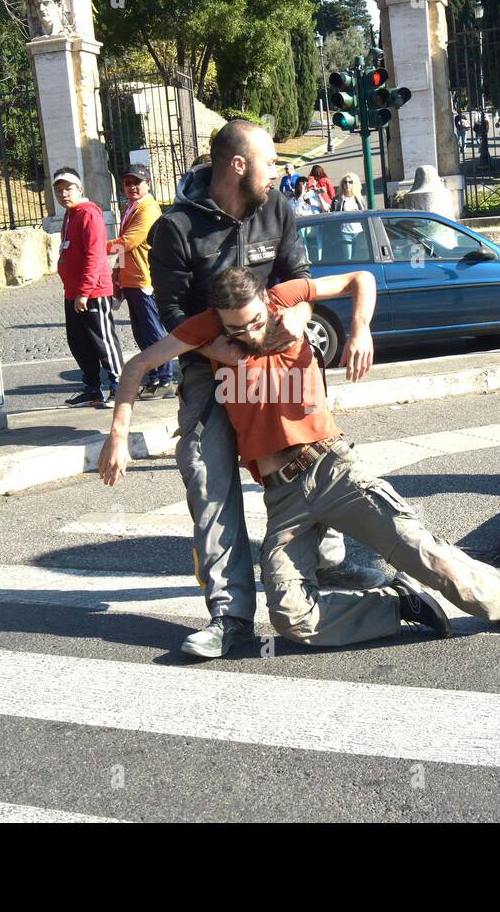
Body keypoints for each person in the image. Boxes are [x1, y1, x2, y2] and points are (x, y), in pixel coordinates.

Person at [98, 265, 500, 648]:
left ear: (266, 300)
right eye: (235, 328)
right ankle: (396, 605)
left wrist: (360, 330)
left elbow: (362, 278)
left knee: (419, 549)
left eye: (255, 321)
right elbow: (139, 365)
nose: (248, 333)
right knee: (290, 618)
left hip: (331, 466)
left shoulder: (287, 299)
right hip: (282, 497)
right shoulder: (211, 330)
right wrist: (118, 434)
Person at [149, 118, 380, 659]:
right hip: (211, 371)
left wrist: (300, 316)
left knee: (309, 456)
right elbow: (172, 315)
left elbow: (298, 279)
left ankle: (327, 557)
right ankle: (230, 618)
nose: (278, 170)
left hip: (279, 361)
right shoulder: (176, 228)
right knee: (210, 485)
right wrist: (216, 351)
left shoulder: (277, 208)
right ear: (237, 165)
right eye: (270, 161)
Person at [54, 166, 124, 408]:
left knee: (102, 339)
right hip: (73, 293)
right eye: (59, 190)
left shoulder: (88, 214)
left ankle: (119, 386)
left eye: (68, 188)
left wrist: (84, 291)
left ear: (79, 189)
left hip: (92, 292)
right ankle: (92, 387)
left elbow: (95, 255)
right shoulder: (70, 214)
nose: (64, 194)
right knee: (79, 342)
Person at [106, 164, 174, 399]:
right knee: (141, 333)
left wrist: (96, 247)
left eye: (137, 182)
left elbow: (128, 242)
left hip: (144, 278)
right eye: (127, 182)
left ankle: (165, 378)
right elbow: (124, 249)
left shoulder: (148, 209)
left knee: (153, 331)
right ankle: (155, 375)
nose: (132, 186)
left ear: (148, 184)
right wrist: (117, 275)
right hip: (131, 279)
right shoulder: (131, 207)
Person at [330, 173, 367, 261]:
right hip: (345, 232)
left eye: (350, 182)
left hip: (359, 232)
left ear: (354, 184)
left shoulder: (359, 198)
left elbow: (365, 213)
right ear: (342, 184)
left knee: (359, 257)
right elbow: (333, 215)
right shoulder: (337, 199)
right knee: (348, 259)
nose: (347, 184)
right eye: (345, 182)